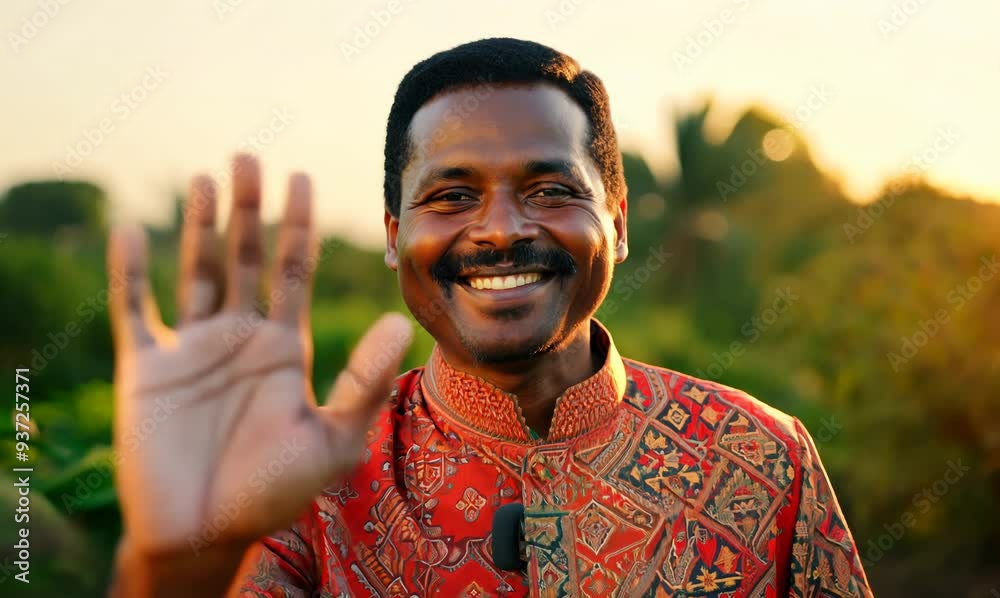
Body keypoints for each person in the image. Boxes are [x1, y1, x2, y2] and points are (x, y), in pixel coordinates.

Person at [107, 38, 872, 597]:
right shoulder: (299, 487)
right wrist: (177, 567)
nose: (502, 228)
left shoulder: (765, 459)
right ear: (394, 233)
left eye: (549, 189)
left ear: (621, 219)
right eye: (451, 195)